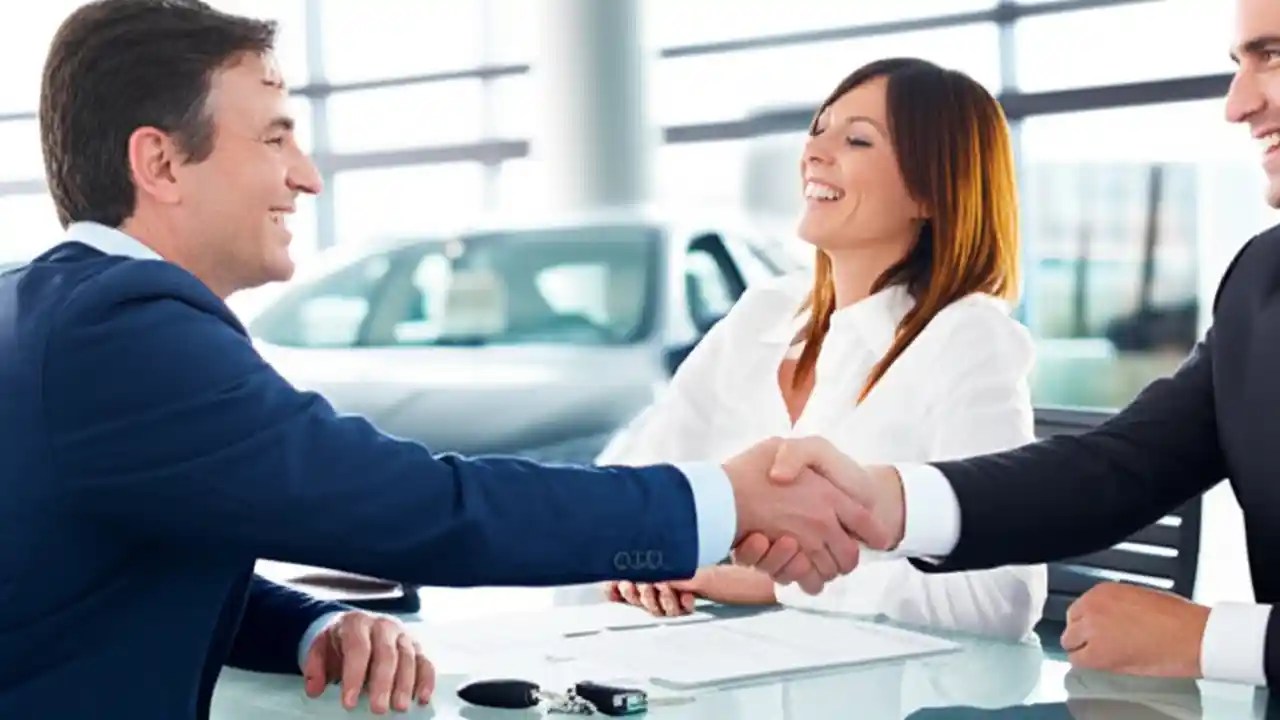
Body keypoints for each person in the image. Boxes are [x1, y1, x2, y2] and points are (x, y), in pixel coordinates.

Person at [0, 2, 882, 718]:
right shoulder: (123, 331)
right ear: (159, 162)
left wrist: (309, 626)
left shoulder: (40, 303)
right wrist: (726, 499)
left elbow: (123, 559)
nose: (305, 176)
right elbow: (421, 505)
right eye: (273, 138)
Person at [735, 0, 1280, 689]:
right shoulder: (1261, 284)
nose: (1237, 105)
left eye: (1274, 57)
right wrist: (886, 502)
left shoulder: (967, 334)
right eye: (1241, 63)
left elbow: (999, 602)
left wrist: (1219, 641)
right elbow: (1120, 468)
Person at [591, 58, 1046, 641]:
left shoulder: (968, 338)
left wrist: (777, 587)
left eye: (857, 139)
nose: (814, 152)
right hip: (714, 670)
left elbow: (1000, 598)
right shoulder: (761, 315)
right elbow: (642, 490)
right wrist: (642, 560)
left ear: (932, 190)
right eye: (818, 130)